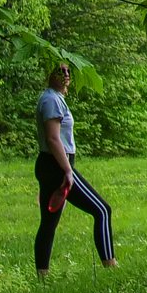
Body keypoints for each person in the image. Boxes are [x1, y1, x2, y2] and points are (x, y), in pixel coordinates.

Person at [33, 62, 116, 276]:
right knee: (102, 210)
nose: (66, 74)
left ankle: (42, 275)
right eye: (60, 70)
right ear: (49, 74)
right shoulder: (51, 99)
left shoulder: (53, 98)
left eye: (68, 71)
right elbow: (52, 138)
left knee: (48, 224)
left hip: (51, 166)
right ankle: (110, 266)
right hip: (58, 166)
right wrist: (68, 171)